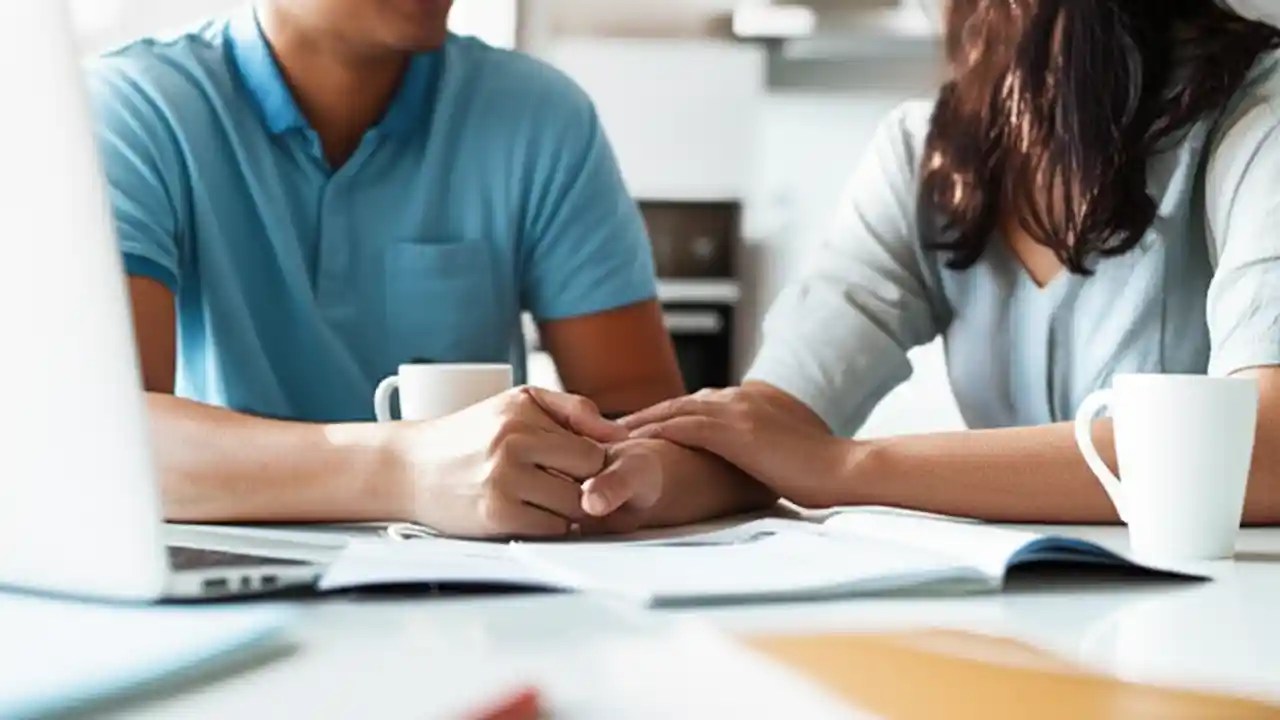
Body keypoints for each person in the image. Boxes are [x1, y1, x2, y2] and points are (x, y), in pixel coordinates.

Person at [88, 0, 774, 538]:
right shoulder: (136, 108)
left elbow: (648, 425)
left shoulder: (541, 117)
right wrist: (407, 469)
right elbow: (106, 442)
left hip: (472, 593)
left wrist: (632, 476)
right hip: (231, 579)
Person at [625, 0, 1280, 525]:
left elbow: (1269, 449)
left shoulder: (1260, 117)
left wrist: (845, 468)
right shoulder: (926, 150)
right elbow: (771, 427)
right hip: (1031, 618)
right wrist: (621, 479)